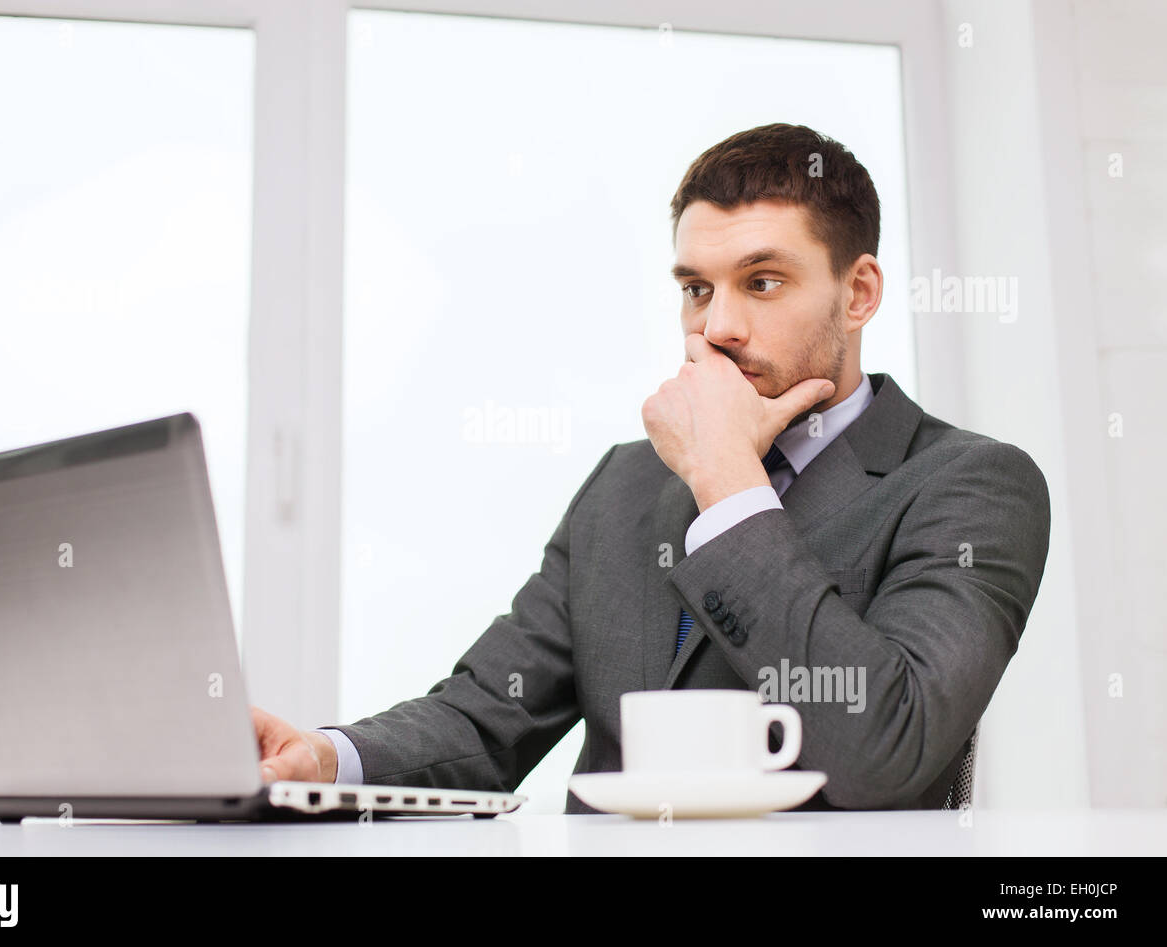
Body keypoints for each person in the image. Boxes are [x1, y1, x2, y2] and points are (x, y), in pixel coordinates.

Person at [252, 123, 1051, 812]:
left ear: (859, 292)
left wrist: (727, 482)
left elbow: (886, 748)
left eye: (762, 282)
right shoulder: (625, 484)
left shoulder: (971, 486)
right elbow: (487, 715)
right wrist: (324, 759)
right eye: (697, 289)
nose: (718, 326)